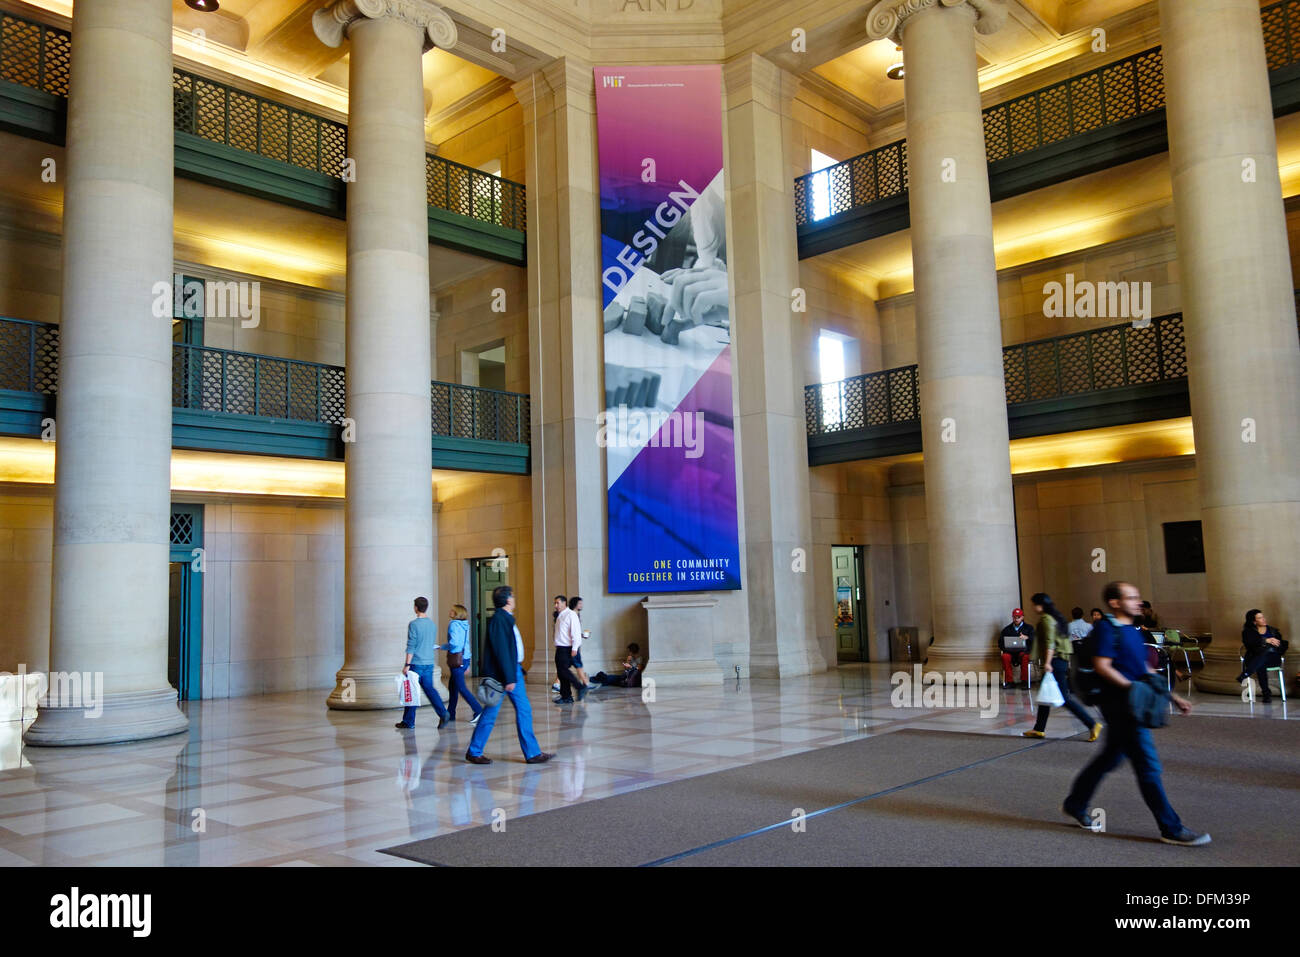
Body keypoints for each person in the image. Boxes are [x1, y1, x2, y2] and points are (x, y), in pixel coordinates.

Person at [1062, 581, 1209, 846]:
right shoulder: (1106, 630)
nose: (1137, 602)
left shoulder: (1130, 630)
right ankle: (1171, 828)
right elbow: (1103, 666)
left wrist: (1172, 696)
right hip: (1122, 706)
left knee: (1109, 758)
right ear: (1115, 603)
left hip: (1130, 703)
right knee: (1147, 765)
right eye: (1131, 598)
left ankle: (1075, 802)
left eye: (1137, 597)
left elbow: (1142, 666)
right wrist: (1133, 688)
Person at [465, 585, 553, 765]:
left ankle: (532, 753)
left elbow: (511, 648)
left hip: (513, 672)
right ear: (507, 600)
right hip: (504, 675)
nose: (514, 599)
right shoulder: (499, 619)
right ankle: (474, 751)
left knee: (524, 710)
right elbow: (501, 651)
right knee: (490, 713)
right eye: (512, 596)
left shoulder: (506, 618)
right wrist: (509, 677)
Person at [1023, 593, 1101, 741]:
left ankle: (1091, 724)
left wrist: (1047, 662)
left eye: (1034, 604)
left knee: (1064, 698)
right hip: (1060, 660)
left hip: (1054, 661)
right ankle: (1038, 729)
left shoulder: (1047, 620)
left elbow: (1050, 642)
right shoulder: (1056, 618)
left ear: (1040, 605)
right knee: (1046, 694)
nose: (1033, 607)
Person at [396, 596, 450, 731]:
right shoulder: (432, 624)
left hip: (416, 663)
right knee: (430, 689)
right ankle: (443, 713)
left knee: (411, 691)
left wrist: (407, 664)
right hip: (429, 662)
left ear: (415, 608)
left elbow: (411, 646)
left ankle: (408, 721)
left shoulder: (414, 624)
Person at [441, 604, 482, 725]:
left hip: (457, 660)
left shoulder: (453, 624)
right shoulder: (465, 625)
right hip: (465, 658)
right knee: (453, 687)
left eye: (452, 610)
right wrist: (466, 663)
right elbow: (466, 643)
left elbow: (455, 644)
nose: (450, 611)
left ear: (456, 613)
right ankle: (451, 714)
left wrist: (443, 647)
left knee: (461, 688)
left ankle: (478, 710)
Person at [1237, 609, 1288, 703]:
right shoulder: (1248, 632)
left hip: (1273, 658)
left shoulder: (1273, 631)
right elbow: (1250, 645)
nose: (1264, 619)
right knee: (1261, 663)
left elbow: (1281, 646)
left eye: (1263, 617)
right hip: (1254, 658)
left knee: (1267, 653)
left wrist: (1275, 645)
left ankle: (1246, 673)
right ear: (1254, 621)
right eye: (1260, 618)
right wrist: (1266, 641)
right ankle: (1266, 694)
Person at [553, 593, 587, 704]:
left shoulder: (571, 614)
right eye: (555, 603)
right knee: (561, 673)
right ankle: (566, 696)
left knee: (563, 671)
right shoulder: (560, 616)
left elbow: (576, 632)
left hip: (567, 648)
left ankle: (579, 687)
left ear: (564, 603)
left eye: (558, 603)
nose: (556, 605)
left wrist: (575, 648)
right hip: (560, 647)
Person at [998, 608, 1036, 688]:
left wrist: (1027, 637)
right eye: (1015, 617)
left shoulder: (1029, 628)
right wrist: (1006, 648)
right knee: (1005, 657)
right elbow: (1000, 642)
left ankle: (1024, 681)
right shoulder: (1007, 629)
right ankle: (1009, 681)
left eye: (1018, 617)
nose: (1016, 619)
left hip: (1023, 652)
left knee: (1025, 657)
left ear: (1022, 617)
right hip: (1010, 652)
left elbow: (1034, 641)